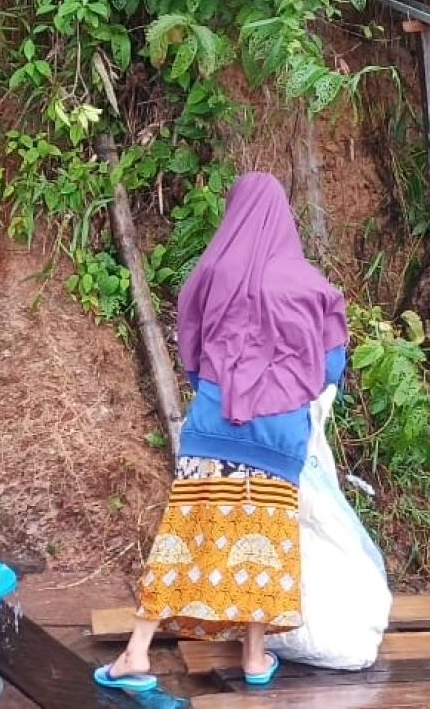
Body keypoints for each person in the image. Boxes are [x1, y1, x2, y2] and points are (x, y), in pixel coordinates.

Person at [94, 172, 348, 691]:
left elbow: (192, 351)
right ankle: (255, 657)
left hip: (215, 425)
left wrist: (223, 390)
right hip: (280, 438)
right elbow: (330, 368)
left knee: (185, 534)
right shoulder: (312, 285)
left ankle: (137, 652)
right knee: (267, 541)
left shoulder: (212, 271)